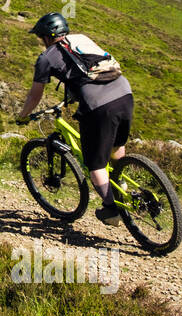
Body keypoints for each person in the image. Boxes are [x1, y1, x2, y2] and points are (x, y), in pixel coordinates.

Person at [16, 12, 133, 224]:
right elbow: (87, 67)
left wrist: (23, 116)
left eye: (41, 38)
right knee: (116, 145)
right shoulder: (82, 39)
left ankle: (111, 211)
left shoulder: (45, 58)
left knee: (95, 165)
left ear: (47, 37)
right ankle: (120, 183)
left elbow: (35, 95)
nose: (41, 42)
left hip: (99, 106)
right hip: (125, 93)